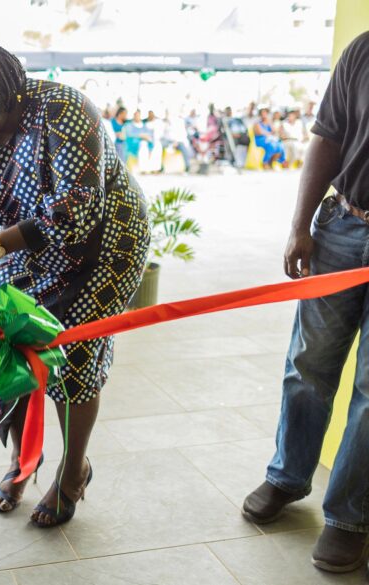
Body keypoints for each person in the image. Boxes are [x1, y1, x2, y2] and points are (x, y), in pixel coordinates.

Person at [0, 40, 150, 528]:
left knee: (71, 358)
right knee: (4, 350)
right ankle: (22, 461)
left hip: (104, 242)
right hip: (20, 247)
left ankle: (72, 473)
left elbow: (80, 208)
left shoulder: (62, 109)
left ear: (4, 72)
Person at [242, 31, 369, 573]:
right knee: (308, 363)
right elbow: (327, 137)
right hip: (343, 226)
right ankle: (287, 477)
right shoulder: (364, 49)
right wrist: (300, 225)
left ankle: (349, 518)